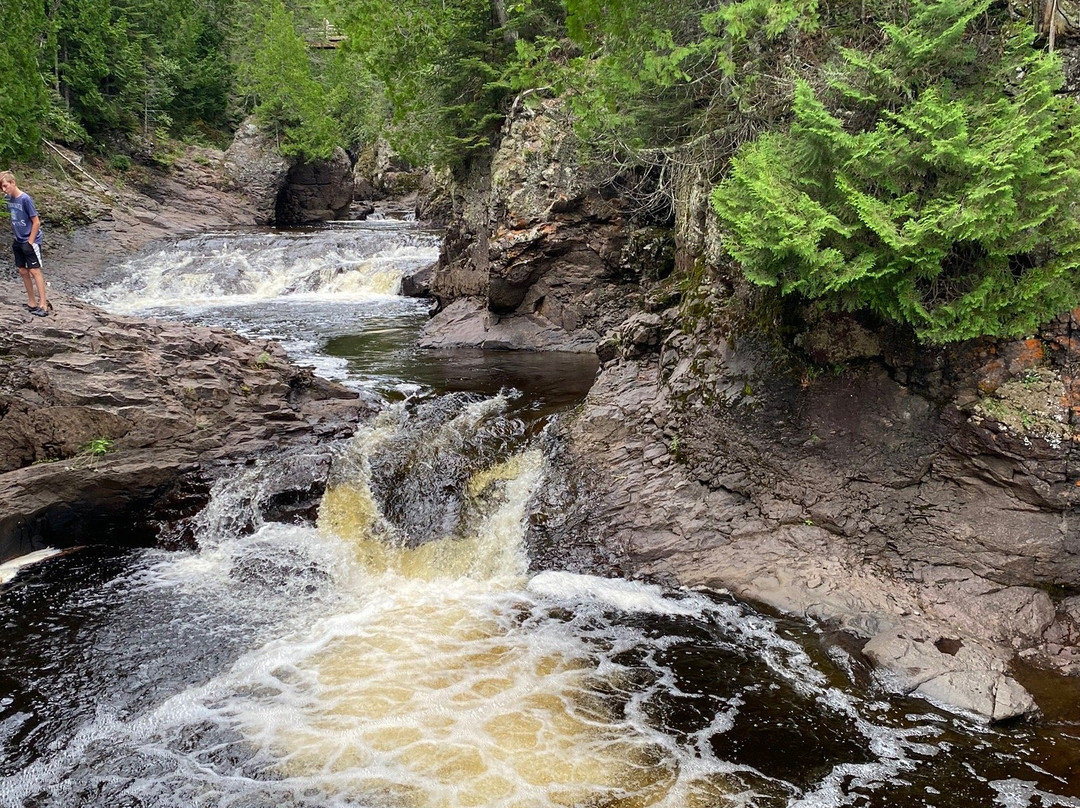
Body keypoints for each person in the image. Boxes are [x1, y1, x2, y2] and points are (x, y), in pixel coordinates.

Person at [1, 170, 49, 316]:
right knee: (22, 271)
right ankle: (32, 302)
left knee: (34, 270)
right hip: (18, 239)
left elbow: (36, 222)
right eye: (1, 187)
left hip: (30, 239)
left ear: (13, 183)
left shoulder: (25, 199)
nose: (4, 190)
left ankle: (44, 304)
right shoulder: (8, 199)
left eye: (5, 186)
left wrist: (30, 241)